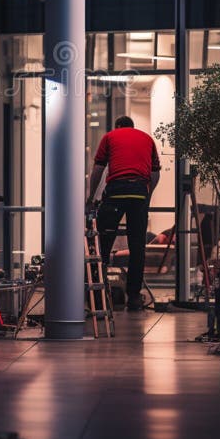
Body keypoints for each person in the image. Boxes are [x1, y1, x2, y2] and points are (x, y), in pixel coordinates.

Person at [87, 115, 161, 311]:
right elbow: (155, 174)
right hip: (138, 193)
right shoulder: (147, 138)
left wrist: (91, 198)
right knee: (137, 248)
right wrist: (147, 195)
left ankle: (98, 295)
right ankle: (134, 297)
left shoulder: (110, 137)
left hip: (116, 192)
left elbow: (98, 170)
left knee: (103, 243)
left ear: (118, 126)